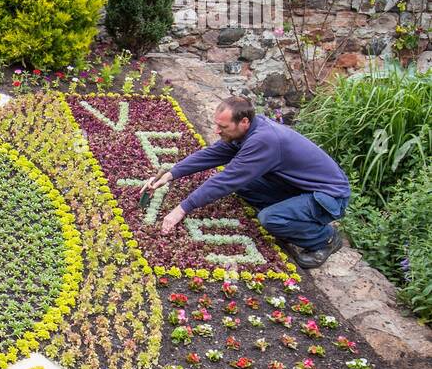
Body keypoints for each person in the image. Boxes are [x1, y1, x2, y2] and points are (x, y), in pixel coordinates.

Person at [139, 95, 351, 269]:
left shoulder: (263, 141)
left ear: (244, 122)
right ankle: (291, 215)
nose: (217, 131)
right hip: (297, 188)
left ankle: (326, 239)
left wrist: (182, 209)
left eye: (222, 126)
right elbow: (211, 155)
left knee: (270, 219)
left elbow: (226, 181)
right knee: (246, 184)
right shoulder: (245, 132)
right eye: (216, 125)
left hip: (328, 197)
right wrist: (169, 175)